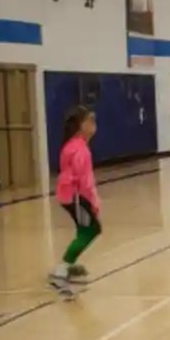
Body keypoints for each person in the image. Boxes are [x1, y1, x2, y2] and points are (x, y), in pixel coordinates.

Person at [49, 106, 102, 297]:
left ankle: (69, 264)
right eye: (90, 121)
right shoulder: (80, 149)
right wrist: (93, 202)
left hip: (68, 195)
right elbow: (84, 181)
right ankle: (62, 269)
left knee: (83, 229)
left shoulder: (71, 145)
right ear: (81, 126)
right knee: (92, 230)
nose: (94, 125)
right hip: (77, 196)